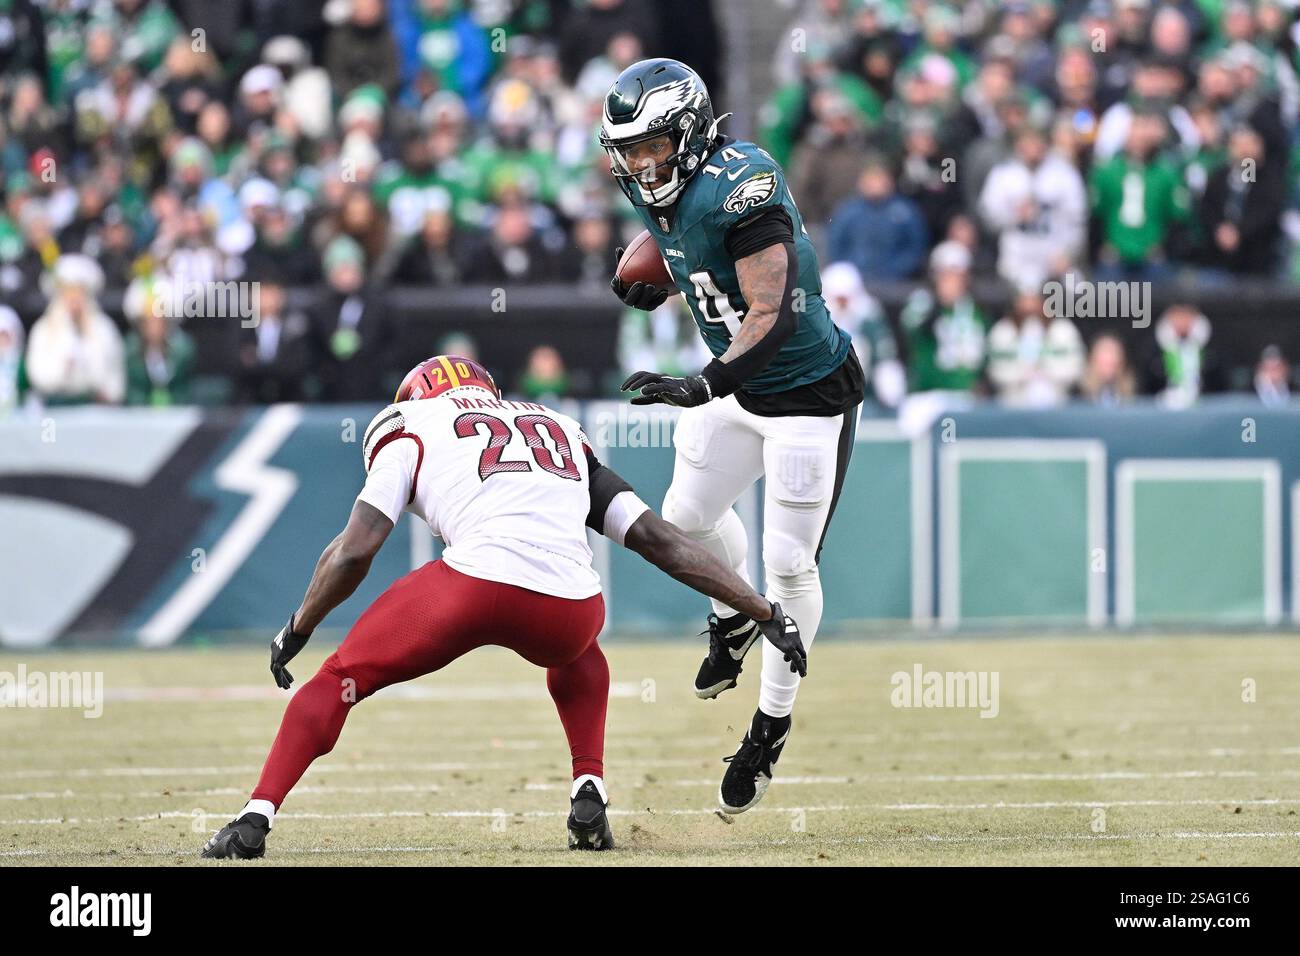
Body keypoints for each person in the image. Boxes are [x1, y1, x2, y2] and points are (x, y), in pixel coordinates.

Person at [201, 355, 805, 858]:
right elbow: (657, 540)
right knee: (580, 652)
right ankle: (587, 788)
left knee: (340, 678)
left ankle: (255, 819)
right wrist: (763, 610)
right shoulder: (557, 424)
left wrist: (298, 626)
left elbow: (356, 549)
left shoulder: (408, 422)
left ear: (416, 394)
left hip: (470, 587)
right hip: (569, 607)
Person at [600, 59, 863, 814]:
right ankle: (729, 619)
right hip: (737, 386)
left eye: (654, 146)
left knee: (787, 562)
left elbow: (772, 313)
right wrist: (663, 276)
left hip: (805, 393)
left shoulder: (741, 183)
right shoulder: (649, 184)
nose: (641, 163)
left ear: (687, 132)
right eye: (630, 150)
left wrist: (701, 383)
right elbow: (679, 244)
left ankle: (768, 730)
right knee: (681, 523)